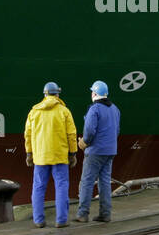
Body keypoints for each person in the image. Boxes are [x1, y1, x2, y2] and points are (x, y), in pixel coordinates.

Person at [23, 81, 77, 227]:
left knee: (39, 187)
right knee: (61, 186)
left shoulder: (34, 112)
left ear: (45, 94)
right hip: (59, 155)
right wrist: (72, 153)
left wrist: (29, 153)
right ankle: (61, 220)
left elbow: (27, 134)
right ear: (57, 94)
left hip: (40, 156)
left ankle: (39, 220)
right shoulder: (64, 111)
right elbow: (71, 134)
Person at [74, 80, 121, 223]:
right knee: (105, 182)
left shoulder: (94, 109)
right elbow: (117, 131)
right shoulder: (115, 109)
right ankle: (105, 214)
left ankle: (83, 214)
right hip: (110, 151)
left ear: (94, 93)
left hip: (95, 151)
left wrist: (84, 143)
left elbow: (89, 131)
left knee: (87, 182)